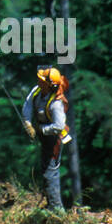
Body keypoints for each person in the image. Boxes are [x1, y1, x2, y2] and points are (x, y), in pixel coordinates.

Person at [22, 67, 71, 212]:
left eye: (42, 79)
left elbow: (58, 126)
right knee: (45, 169)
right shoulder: (37, 90)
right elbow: (28, 105)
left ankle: (56, 208)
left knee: (51, 171)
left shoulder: (56, 104)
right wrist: (28, 123)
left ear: (49, 85)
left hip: (53, 138)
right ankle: (51, 204)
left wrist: (41, 130)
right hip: (44, 135)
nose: (39, 80)